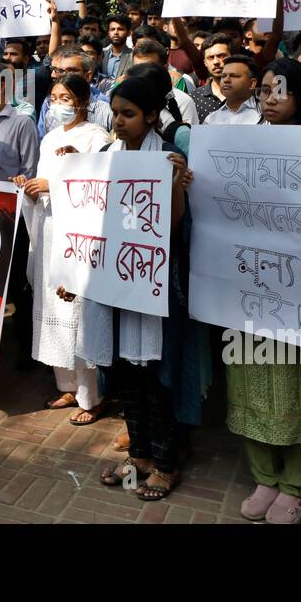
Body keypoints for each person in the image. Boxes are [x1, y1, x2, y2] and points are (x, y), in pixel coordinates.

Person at [84, 78, 200, 501]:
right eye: (114, 112)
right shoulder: (102, 158)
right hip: (112, 283)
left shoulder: (168, 159)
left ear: (151, 116)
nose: (118, 121)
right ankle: (140, 457)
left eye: (128, 113)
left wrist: (175, 185)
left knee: (156, 372)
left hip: (155, 285)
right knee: (126, 374)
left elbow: (172, 228)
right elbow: (86, 221)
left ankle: (166, 464)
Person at [17, 74, 112, 424]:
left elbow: (97, 189)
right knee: (52, 305)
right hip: (50, 228)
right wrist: (29, 187)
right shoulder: (50, 138)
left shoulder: (96, 137)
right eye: (54, 98)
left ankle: (93, 395)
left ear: (84, 101)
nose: (58, 104)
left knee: (76, 311)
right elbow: (41, 181)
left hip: (78, 233)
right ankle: (67, 385)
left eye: (66, 97)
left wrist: (53, 185)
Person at [202, 54, 261, 125]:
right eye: (223, 76)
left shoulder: (266, 115)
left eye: (234, 76)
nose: (226, 80)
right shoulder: (210, 120)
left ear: (252, 83)